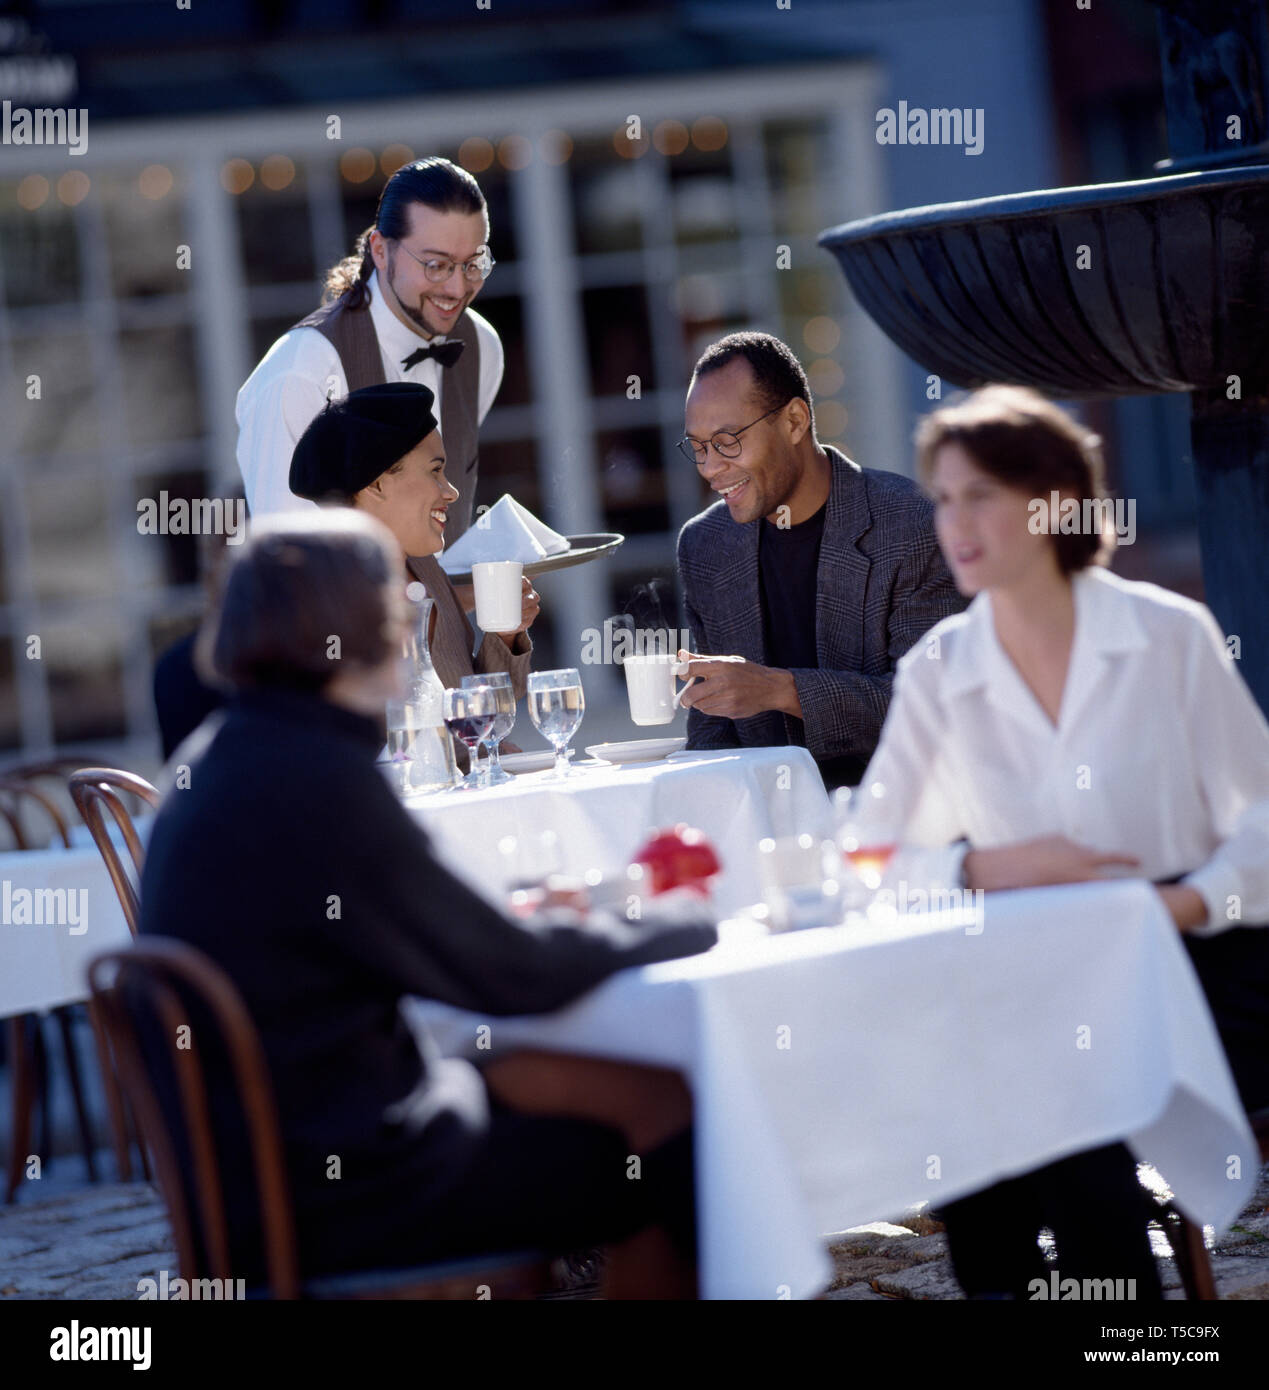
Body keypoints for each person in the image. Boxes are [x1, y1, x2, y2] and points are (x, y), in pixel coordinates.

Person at [138, 509, 717, 1296]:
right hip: (350, 1189)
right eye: (400, 604)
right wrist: (679, 921)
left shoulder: (231, 753)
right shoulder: (316, 776)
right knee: (644, 1145)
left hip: (269, 1172)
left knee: (629, 1092)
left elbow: (442, 937)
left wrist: (531, 919)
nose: (414, 621)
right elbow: (509, 978)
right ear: (350, 627)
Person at [860, 384, 1269, 1299]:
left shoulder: (1167, 636)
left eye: (980, 497)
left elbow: (1264, 818)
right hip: (1037, 968)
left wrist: (1183, 900)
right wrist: (979, 866)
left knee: (1057, 1083)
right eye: (942, 499)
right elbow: (871, 860)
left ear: (1051, 505)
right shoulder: (938, 670)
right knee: (978, 1097)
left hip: (1194, 957)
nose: (953, 523)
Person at [675, 332, 964, 792]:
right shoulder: (705, 545)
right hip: (769, 832)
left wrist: (779, 690)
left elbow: (933, 706)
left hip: (903, 815)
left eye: (727, 441)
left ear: (794, 421)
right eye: (698, 446)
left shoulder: (911, 524)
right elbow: (713, 737)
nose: (709, 467)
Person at [236, 156, 501, 543]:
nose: (458, 289)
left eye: (473, 264)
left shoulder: (484, 349)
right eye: (435, 265)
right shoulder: (300, 371)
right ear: (380, 250)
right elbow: (290, 560)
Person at [289, 382, 537, 706]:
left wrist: (505, 635)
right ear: (377, 485)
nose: (451, 492)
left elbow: (475, 710)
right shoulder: (322, 602)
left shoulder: (426, 571)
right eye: (436, 471)